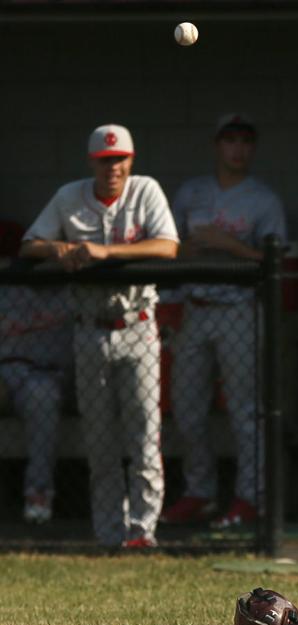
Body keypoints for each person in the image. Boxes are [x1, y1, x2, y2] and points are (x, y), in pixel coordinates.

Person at [19, 124, 179, 548]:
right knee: (100, 439)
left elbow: (167, 246)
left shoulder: (145, 190)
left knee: (145, 434)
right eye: (106, 160)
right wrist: (59, 250)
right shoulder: (71, 195)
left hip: (138, 326)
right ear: (94, 162)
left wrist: (107, 254)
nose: (114, 168)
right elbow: (29, 245)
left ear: (131, 160)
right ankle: (110, 533)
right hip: (89, 330)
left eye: (120, 159)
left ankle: (143, 533)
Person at [161, 113, 286, 530]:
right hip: (196, 308)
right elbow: (168, 246)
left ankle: (251, 498)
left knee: (246, 411)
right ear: (217, 145)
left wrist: (229, 245)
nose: (238, 148)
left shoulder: (263, 199)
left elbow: (279, 260)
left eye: (246, 141)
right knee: (187, 409)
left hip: (240, 309)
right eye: (230, 140)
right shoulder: (192, 192)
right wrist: (188, 252)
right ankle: (200, 492)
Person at [0, 285, 72, 524]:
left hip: (48, 376)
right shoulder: (8, 285)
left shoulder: (74, 291)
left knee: (41, 394)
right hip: (6, 373)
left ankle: (38, 493)